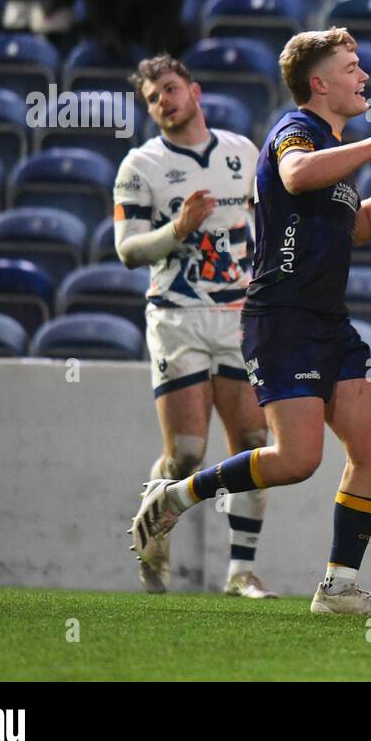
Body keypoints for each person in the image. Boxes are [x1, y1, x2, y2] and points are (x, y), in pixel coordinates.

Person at [130, 28, 371, 616]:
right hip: (281, 317)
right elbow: (296, 176)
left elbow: (358, 226)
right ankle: (177, 496)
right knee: (296, 460)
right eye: (352, 67)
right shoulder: (296, 132)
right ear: (320, 83)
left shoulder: (334, 145)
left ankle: (337, 587)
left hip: (329, 321)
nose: (363, 77)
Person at [114, 54, 276, 597]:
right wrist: (177, 229)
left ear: (195, 90)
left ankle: (240, 572)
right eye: (153, 98)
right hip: (178, 316)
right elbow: (128, 251)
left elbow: (266, 225)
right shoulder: (140, 166)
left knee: (253, 440)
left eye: (169, 89)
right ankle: (154, 530)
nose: (163, 102)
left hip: (238, 314)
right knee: (187, 451)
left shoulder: (241, 152)